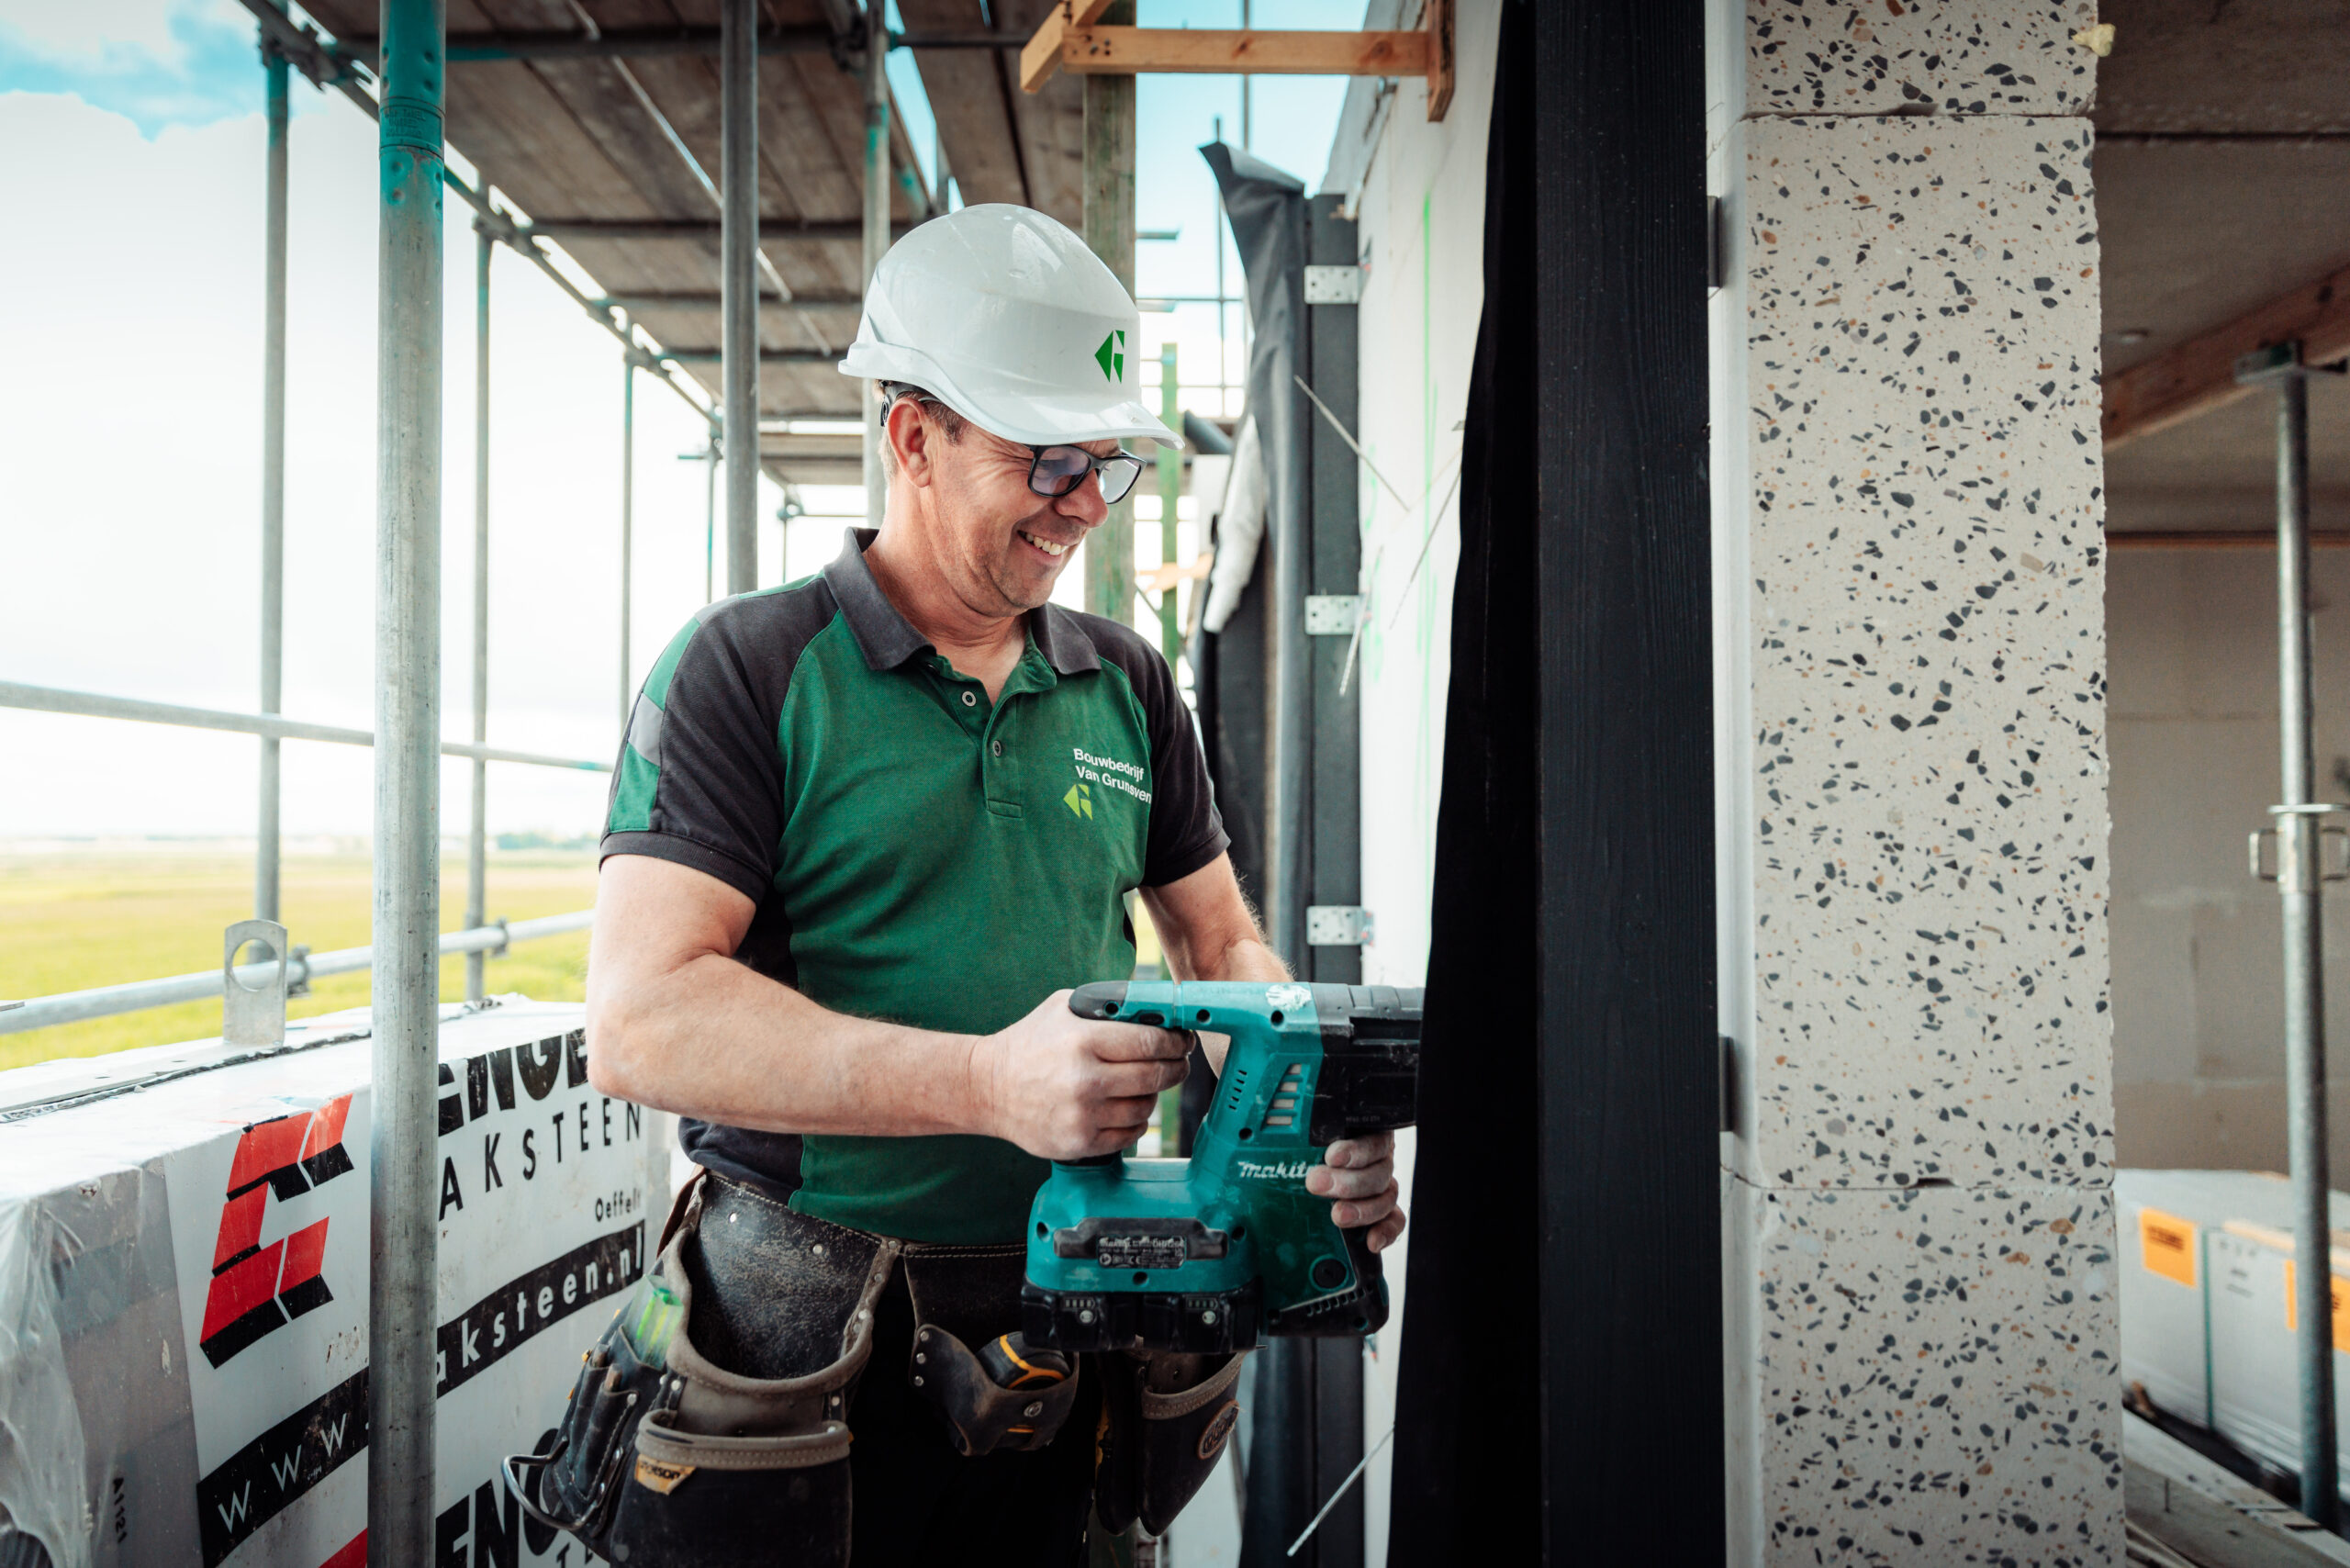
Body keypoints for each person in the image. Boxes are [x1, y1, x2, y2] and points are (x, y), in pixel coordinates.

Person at [579, 204, 1404, 1566]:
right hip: (805, 1331)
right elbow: (643, 1024)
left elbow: (1220, 951)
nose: (1085, 502)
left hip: (1076, 1306)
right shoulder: (752, 671)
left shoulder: (1127, 683)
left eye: (1110, 465)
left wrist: (1300, 1118)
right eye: (1050, 459)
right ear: (914, 436)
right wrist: (984, 1085)